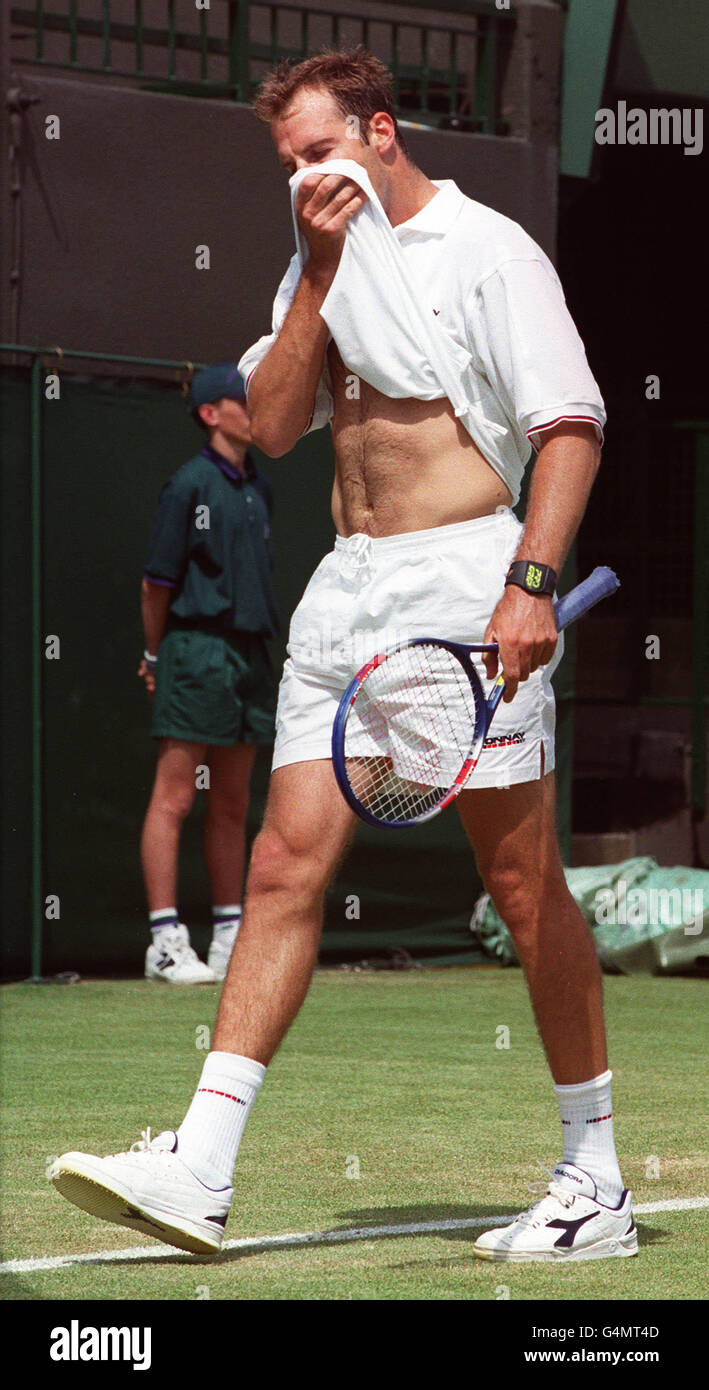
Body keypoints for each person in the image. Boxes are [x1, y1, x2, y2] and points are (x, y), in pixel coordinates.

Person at [50, 51, 637, 1265]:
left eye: (321, 151)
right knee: (278, 867)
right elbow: (269, 426)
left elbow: (569, 427)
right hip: (345, 593)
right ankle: (203, 1170)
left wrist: (530, 582)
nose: (304, 176)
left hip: (463, 579)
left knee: (523, 889)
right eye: (287, 164)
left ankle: (596, 1178)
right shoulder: (318, 255)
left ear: (379, 131)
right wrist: (316, 270)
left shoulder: (491, 250)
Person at [138, 363, 279, 984]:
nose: (257, 409)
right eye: (243, 400)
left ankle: (228, 938)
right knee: (175, 797)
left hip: (250, 655)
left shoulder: (259, 488)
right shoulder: (188, 485)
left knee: (232, 802)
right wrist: (153, 654)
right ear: (210, 413)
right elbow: (156, 582)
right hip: (194, 651)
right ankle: (165, 941)